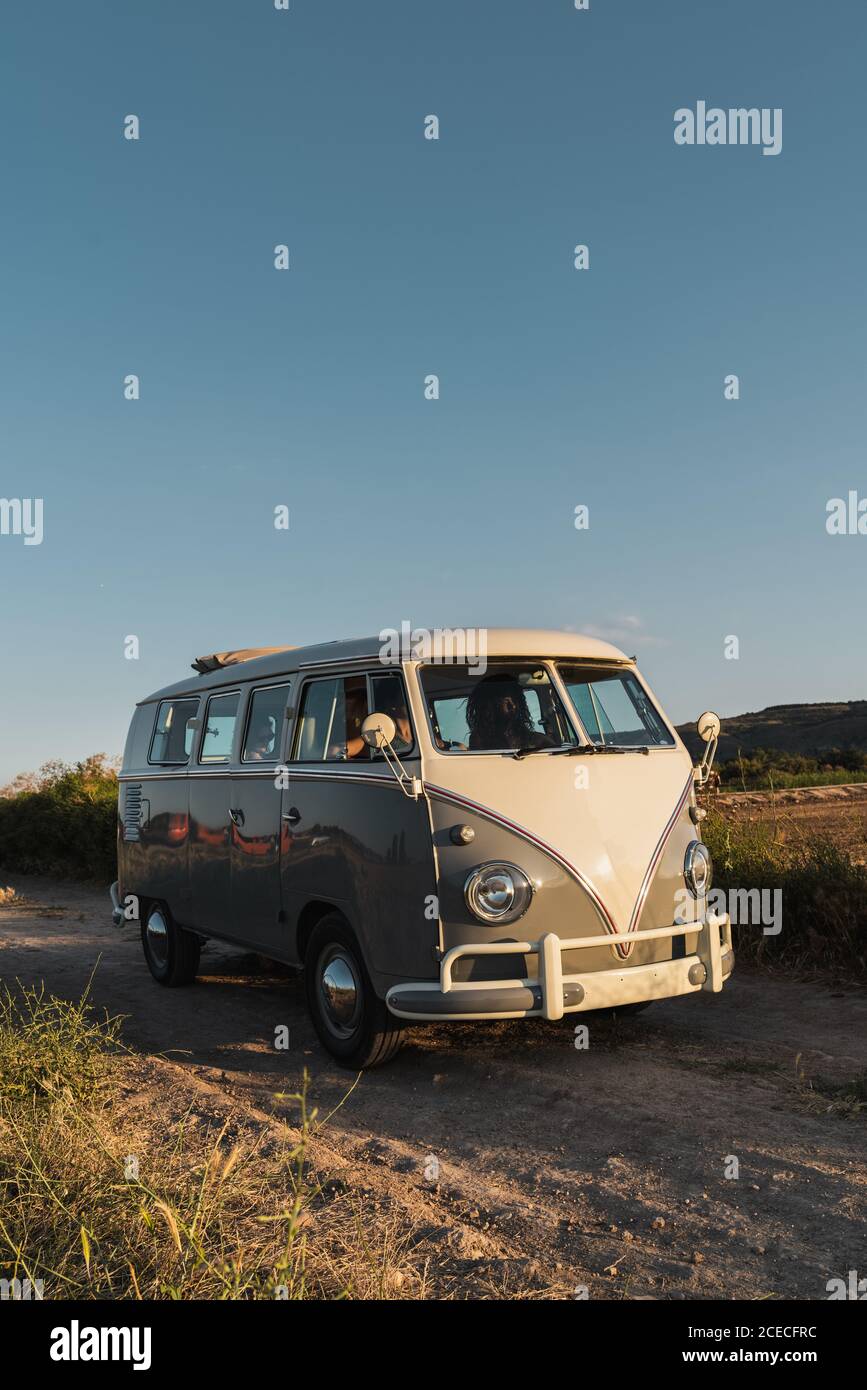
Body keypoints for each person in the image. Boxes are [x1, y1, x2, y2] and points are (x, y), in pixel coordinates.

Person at [465, 672, 552, 752]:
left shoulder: (540, 741)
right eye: (506, 701)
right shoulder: (479, 739)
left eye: (515, 700)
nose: (513, 706)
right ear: (489, 706)